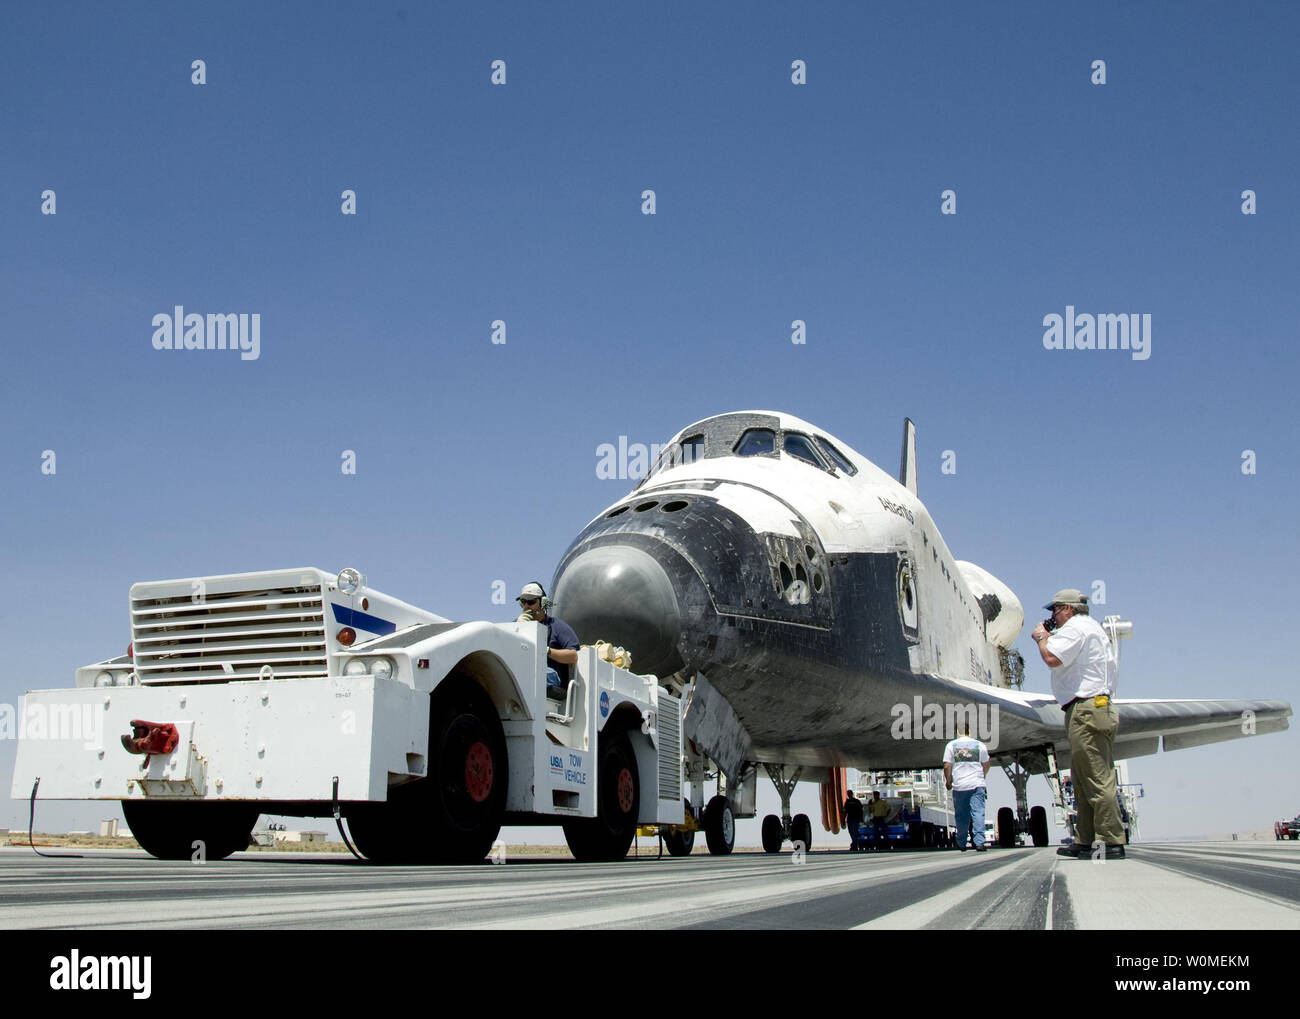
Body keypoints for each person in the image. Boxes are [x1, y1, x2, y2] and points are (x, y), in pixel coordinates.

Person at [1031, 588, 1125, 860]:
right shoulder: (1089, 628)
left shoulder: (1075, 628)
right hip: (1087, 709)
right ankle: (1085, 840)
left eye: (1055, 610)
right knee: (1083, 780)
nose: (1053, 616)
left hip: (1087, 708)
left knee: (1097, 778)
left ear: (1068, 609)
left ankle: (1110, 841)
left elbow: (1051, 658)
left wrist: (1041, 638)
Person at [516, 582, 579, 699]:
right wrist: (518, 629)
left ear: (543, 603)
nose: (526, 606)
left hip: (550, 677)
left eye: (531, 602)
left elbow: (573, 656)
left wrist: (546, 651)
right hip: (524, 670)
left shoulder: (557, 626)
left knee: (533, 672)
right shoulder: (516, 625)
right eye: (523, 602)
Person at [943, 722, 990, 852]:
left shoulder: (951, 745)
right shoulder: (980, 745)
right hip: (977, 784)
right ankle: (979, 842)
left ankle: (962, 843)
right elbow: (986, 764)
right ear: (970, 731)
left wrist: (948, 781)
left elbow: (947, 765)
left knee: (961, 815)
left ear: (957, 732)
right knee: (978, 813)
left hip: (960, 786)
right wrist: (982, 776)